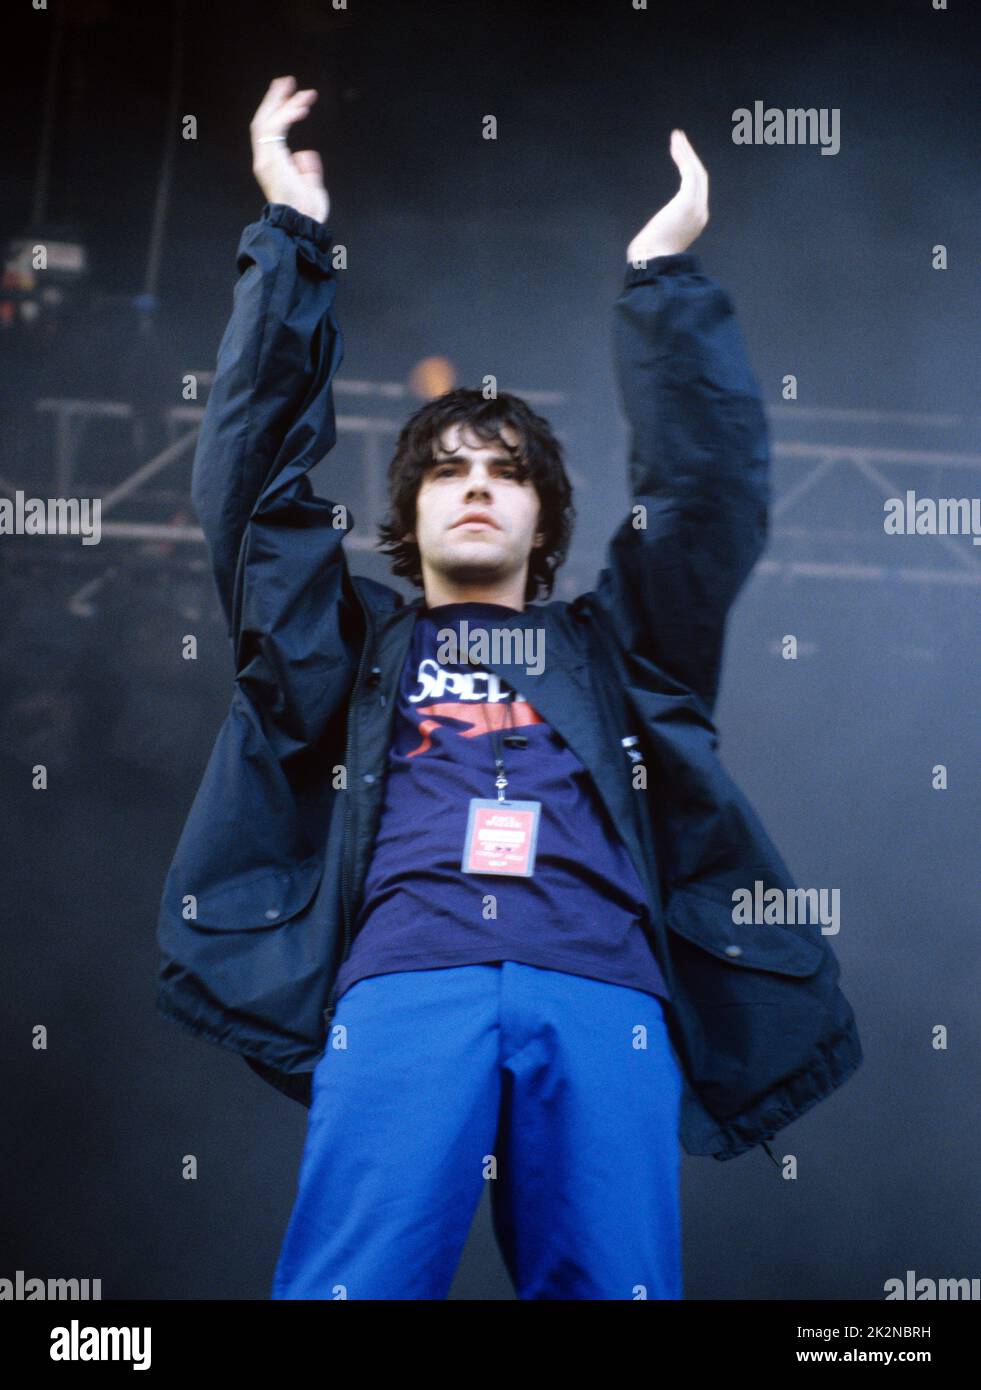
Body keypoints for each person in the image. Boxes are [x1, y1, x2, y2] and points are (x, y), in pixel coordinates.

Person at [156, 76, 863, 1301]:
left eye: (506, 470)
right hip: (401, 985)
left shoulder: (619, 648)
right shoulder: (347, 644)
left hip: (605, 994)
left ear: (545, 517)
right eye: (446, 470)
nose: (476, 484)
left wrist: (663, 281)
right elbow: (255, 491)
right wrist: (292, 240)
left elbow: (706, 500)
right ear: (409, 514)